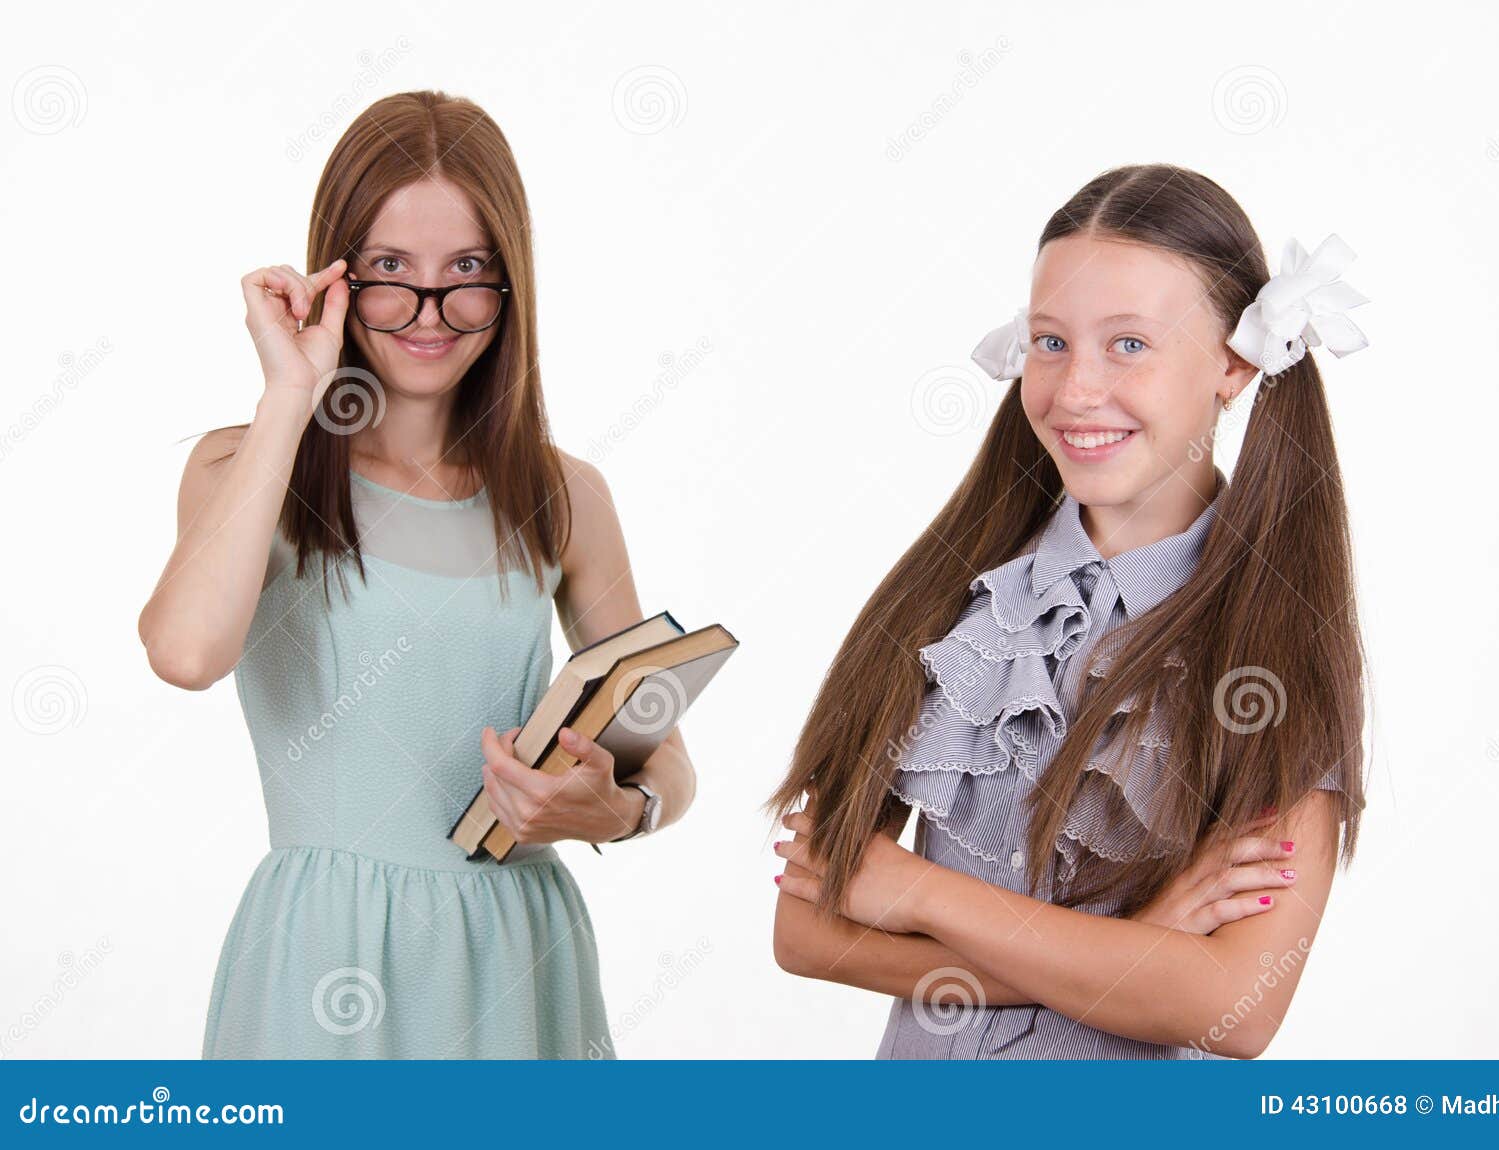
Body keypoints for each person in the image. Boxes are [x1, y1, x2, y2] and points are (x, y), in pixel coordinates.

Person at [138, 90, 695, 1058]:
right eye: (391, 270)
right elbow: (185, 654)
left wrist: (620, 809)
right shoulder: (246, 469)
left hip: (517, 955)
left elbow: (666, 755)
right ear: (337, 274)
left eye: (466, 271)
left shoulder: (565, 495)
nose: (428, 313)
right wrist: (290, 394)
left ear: (510, 281)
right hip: (324, 954)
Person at [768, 163, 1369, 1059]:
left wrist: (918, 893)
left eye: (1128, 344)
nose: (1076, 390)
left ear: (1234, 364)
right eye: (1051, 341)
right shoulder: (946, 597)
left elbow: (1236, 1007)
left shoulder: (1275, 645)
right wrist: (1138, 950)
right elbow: (806, 934)